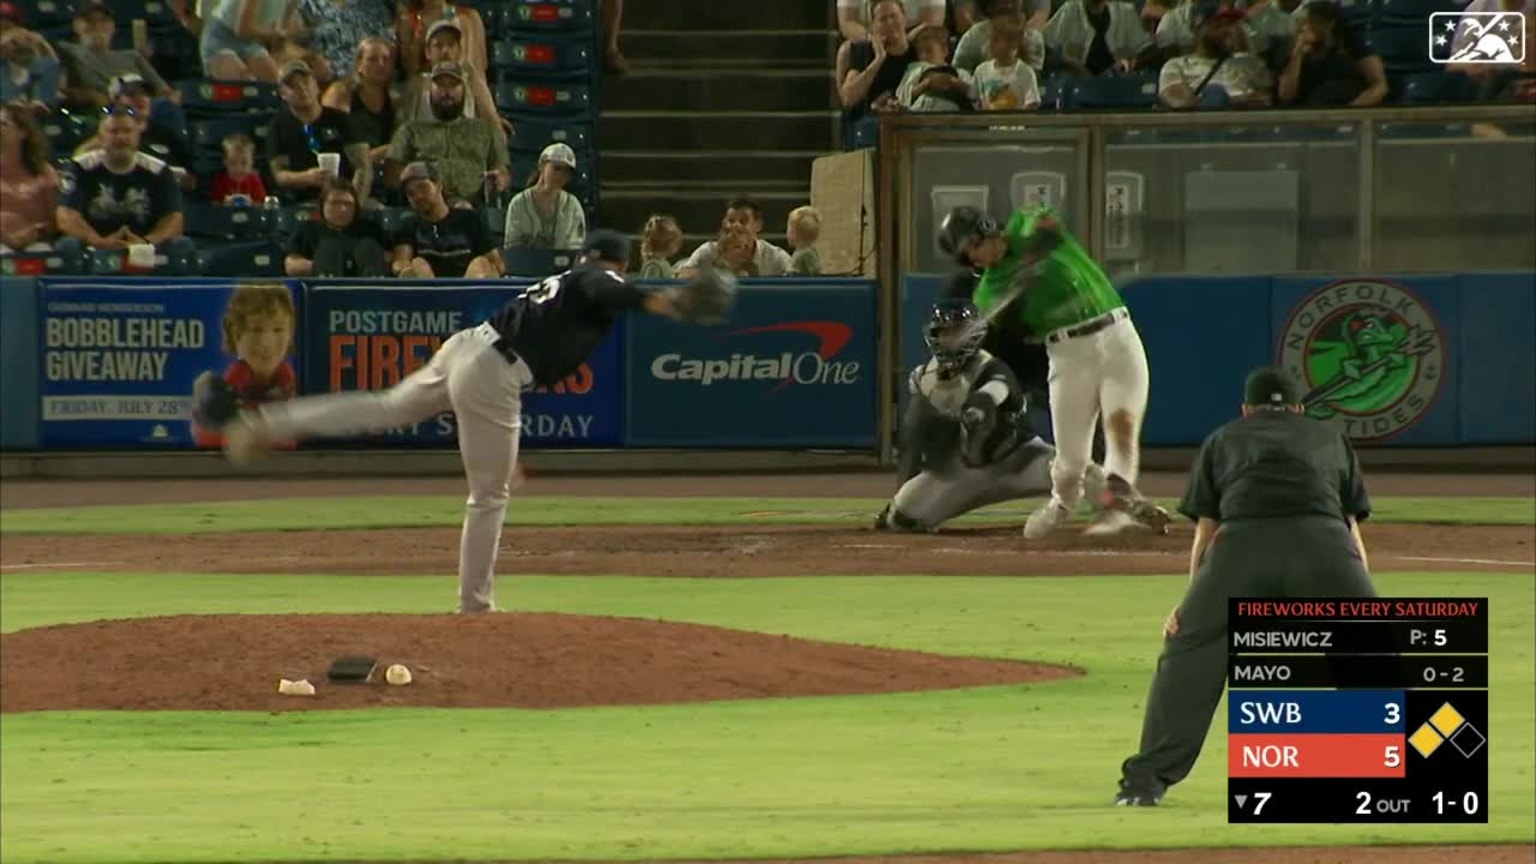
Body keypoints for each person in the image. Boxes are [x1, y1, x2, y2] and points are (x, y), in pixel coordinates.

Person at [191, 231, 738, 614]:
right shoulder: (596, 278)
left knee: (386, 408)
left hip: (468, 350)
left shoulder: (567, 281)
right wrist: (665, 303)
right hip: (492, 371)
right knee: (489, 496)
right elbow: (603, 285)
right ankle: (475, 607)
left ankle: (261, 423)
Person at [1114, 365, 1376, 807]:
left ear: (1246, 410)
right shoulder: (1330, 438)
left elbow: (1207, 529)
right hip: (1324, 547)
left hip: (1242, 548)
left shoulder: (1223, 438)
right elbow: (1350, 528)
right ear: (1298, 408)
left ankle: (1144, 785)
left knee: (1189, 655)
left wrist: (1190, 605)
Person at [937, 204, 1167, 538]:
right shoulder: (989, 290)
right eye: (966, 257)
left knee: (1122, 427)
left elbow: (1047, 228)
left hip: (1118, 337)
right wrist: (1012, 307)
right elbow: (1012, 336)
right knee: (1071, 461)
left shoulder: (1022, 222)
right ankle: (1062, 503)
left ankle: (1116, 514)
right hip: (1069, 354)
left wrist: (1030, 260)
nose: (974, 260)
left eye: (972, 248)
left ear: (984, 229)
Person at [876, 299, 1112, 532]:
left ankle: (1128, 511)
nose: (950, 339)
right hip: (966, 471)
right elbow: (914, 437)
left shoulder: (992, 368)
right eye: (943, 332)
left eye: (957, 332)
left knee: (1085, 475)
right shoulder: (922, 379)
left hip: (1022, 460)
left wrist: (977, 409)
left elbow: (991, 395)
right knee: (902, 519)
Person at [55, 107, 195, 262]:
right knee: (67, 245)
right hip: (93, 248)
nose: (121, 137)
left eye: (127, 131)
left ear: (138, 136)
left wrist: (147, 242)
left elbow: (174, 219)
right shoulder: (80, 167)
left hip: (146, 250)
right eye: (113, 132)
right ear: (101, 138)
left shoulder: (159, 170)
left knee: (182, 245)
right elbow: (66, 216)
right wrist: (98, 241)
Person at [390, 160, 500, 279]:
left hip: (467, 287)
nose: (418, 196)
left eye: (423, 187)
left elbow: (496, 263)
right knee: (418, 264)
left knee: (481, 263)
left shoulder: (470, 219)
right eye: (411, 193)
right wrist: (405, 270)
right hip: (429, 291)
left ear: (438, 185)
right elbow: (401, 262)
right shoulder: (409, 225)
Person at [284, 177, 388, 277]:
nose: (342, 209)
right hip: (321, 287)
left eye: (347, 204)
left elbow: (390, 259)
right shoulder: (307, 229)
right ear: (322, 205)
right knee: (328, 250)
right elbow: (291, 265)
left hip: (367, 287)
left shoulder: (371, 229)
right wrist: (323, 265)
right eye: (334, 203)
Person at [503, 142, 587, 251]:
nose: (561, 176)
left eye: (567, 172)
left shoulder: (572, 205)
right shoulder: (519, 203)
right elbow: (511, 247)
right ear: (541, 166)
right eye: (556, 169)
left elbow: (577, 248)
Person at [0, 101, 60, 252]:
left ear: (22, 132)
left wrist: (36, 232)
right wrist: (6, 238)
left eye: (3, 124)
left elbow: (57, 218)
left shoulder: (44, 172)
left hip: (36, 241)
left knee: (41, 252)